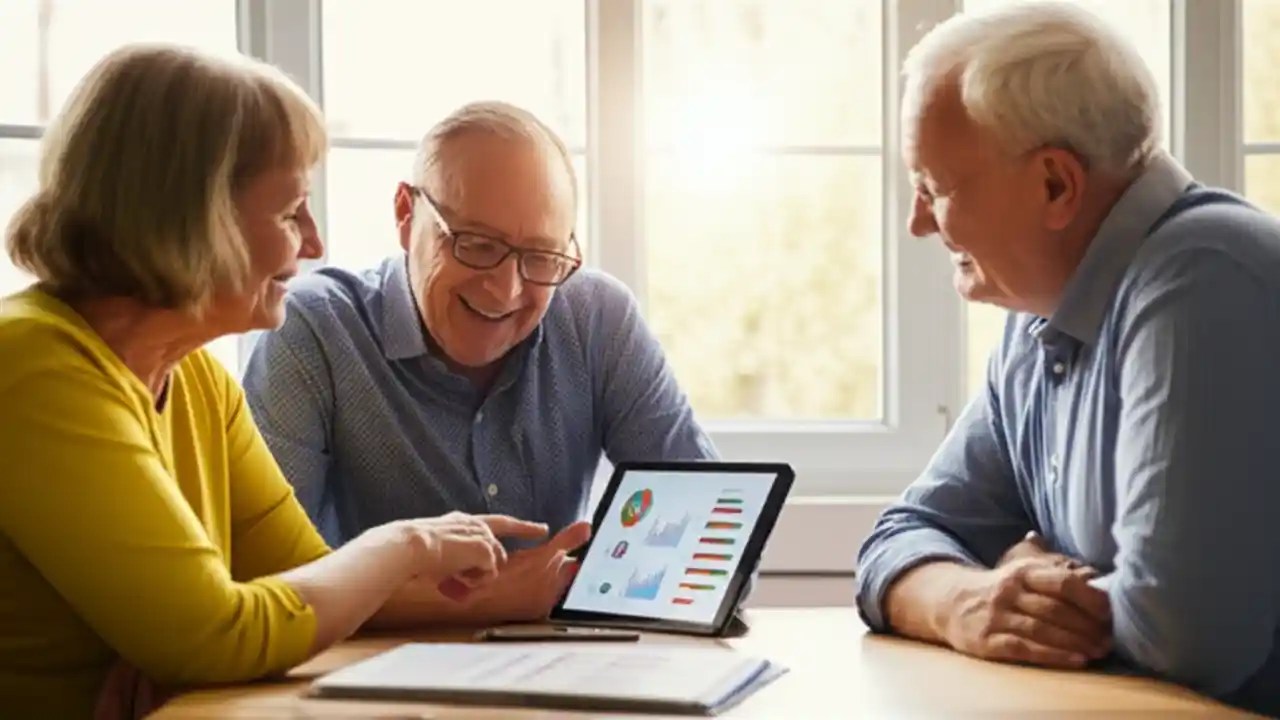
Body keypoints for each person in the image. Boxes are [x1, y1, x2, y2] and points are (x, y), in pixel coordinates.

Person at [0, 44, 550, 718]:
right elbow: (219, 634)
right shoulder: (33, 366)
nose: (314, 243)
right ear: (194, 219)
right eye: (291, 212)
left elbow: (299, 584)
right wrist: (407, 543)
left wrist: (510, 587)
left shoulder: (197, 377)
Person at [854, 2, 1280, 716]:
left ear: (1056, 184)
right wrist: (967, 598)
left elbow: (1185, 634)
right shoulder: (1044, 315)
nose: (918, 220)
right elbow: (896, 542)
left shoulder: (1202, 273)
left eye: (936, 187)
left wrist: (1017, 583)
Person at [241, 101, 717, 621]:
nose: (506, 289)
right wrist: (480, 604)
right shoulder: (314, 331)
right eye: (476, 245)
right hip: (365, 678)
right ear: (406, 215)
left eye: (540, 257)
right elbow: (266, 586)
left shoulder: (595, 317)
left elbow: (713, 535)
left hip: (557, 673)